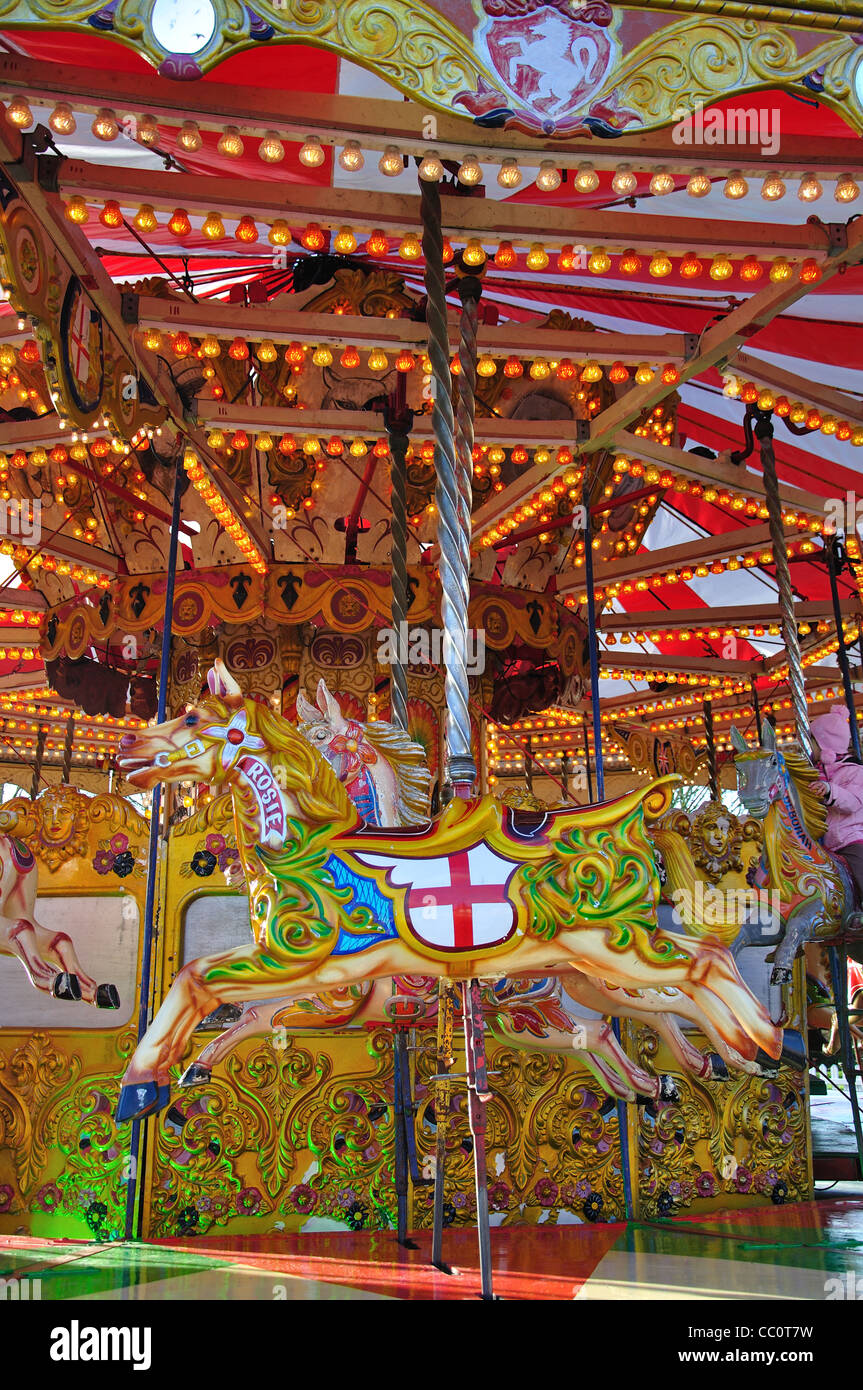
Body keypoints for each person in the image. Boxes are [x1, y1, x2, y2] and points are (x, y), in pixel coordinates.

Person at [809, 704, 863, 899]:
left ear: (825, 746)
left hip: (851, 839)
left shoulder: (854, 771)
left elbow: (854, 802)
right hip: (826, 843)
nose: (809, 748)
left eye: (812, 743)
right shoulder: (817, 773)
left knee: (860, 871)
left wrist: (830, 791)